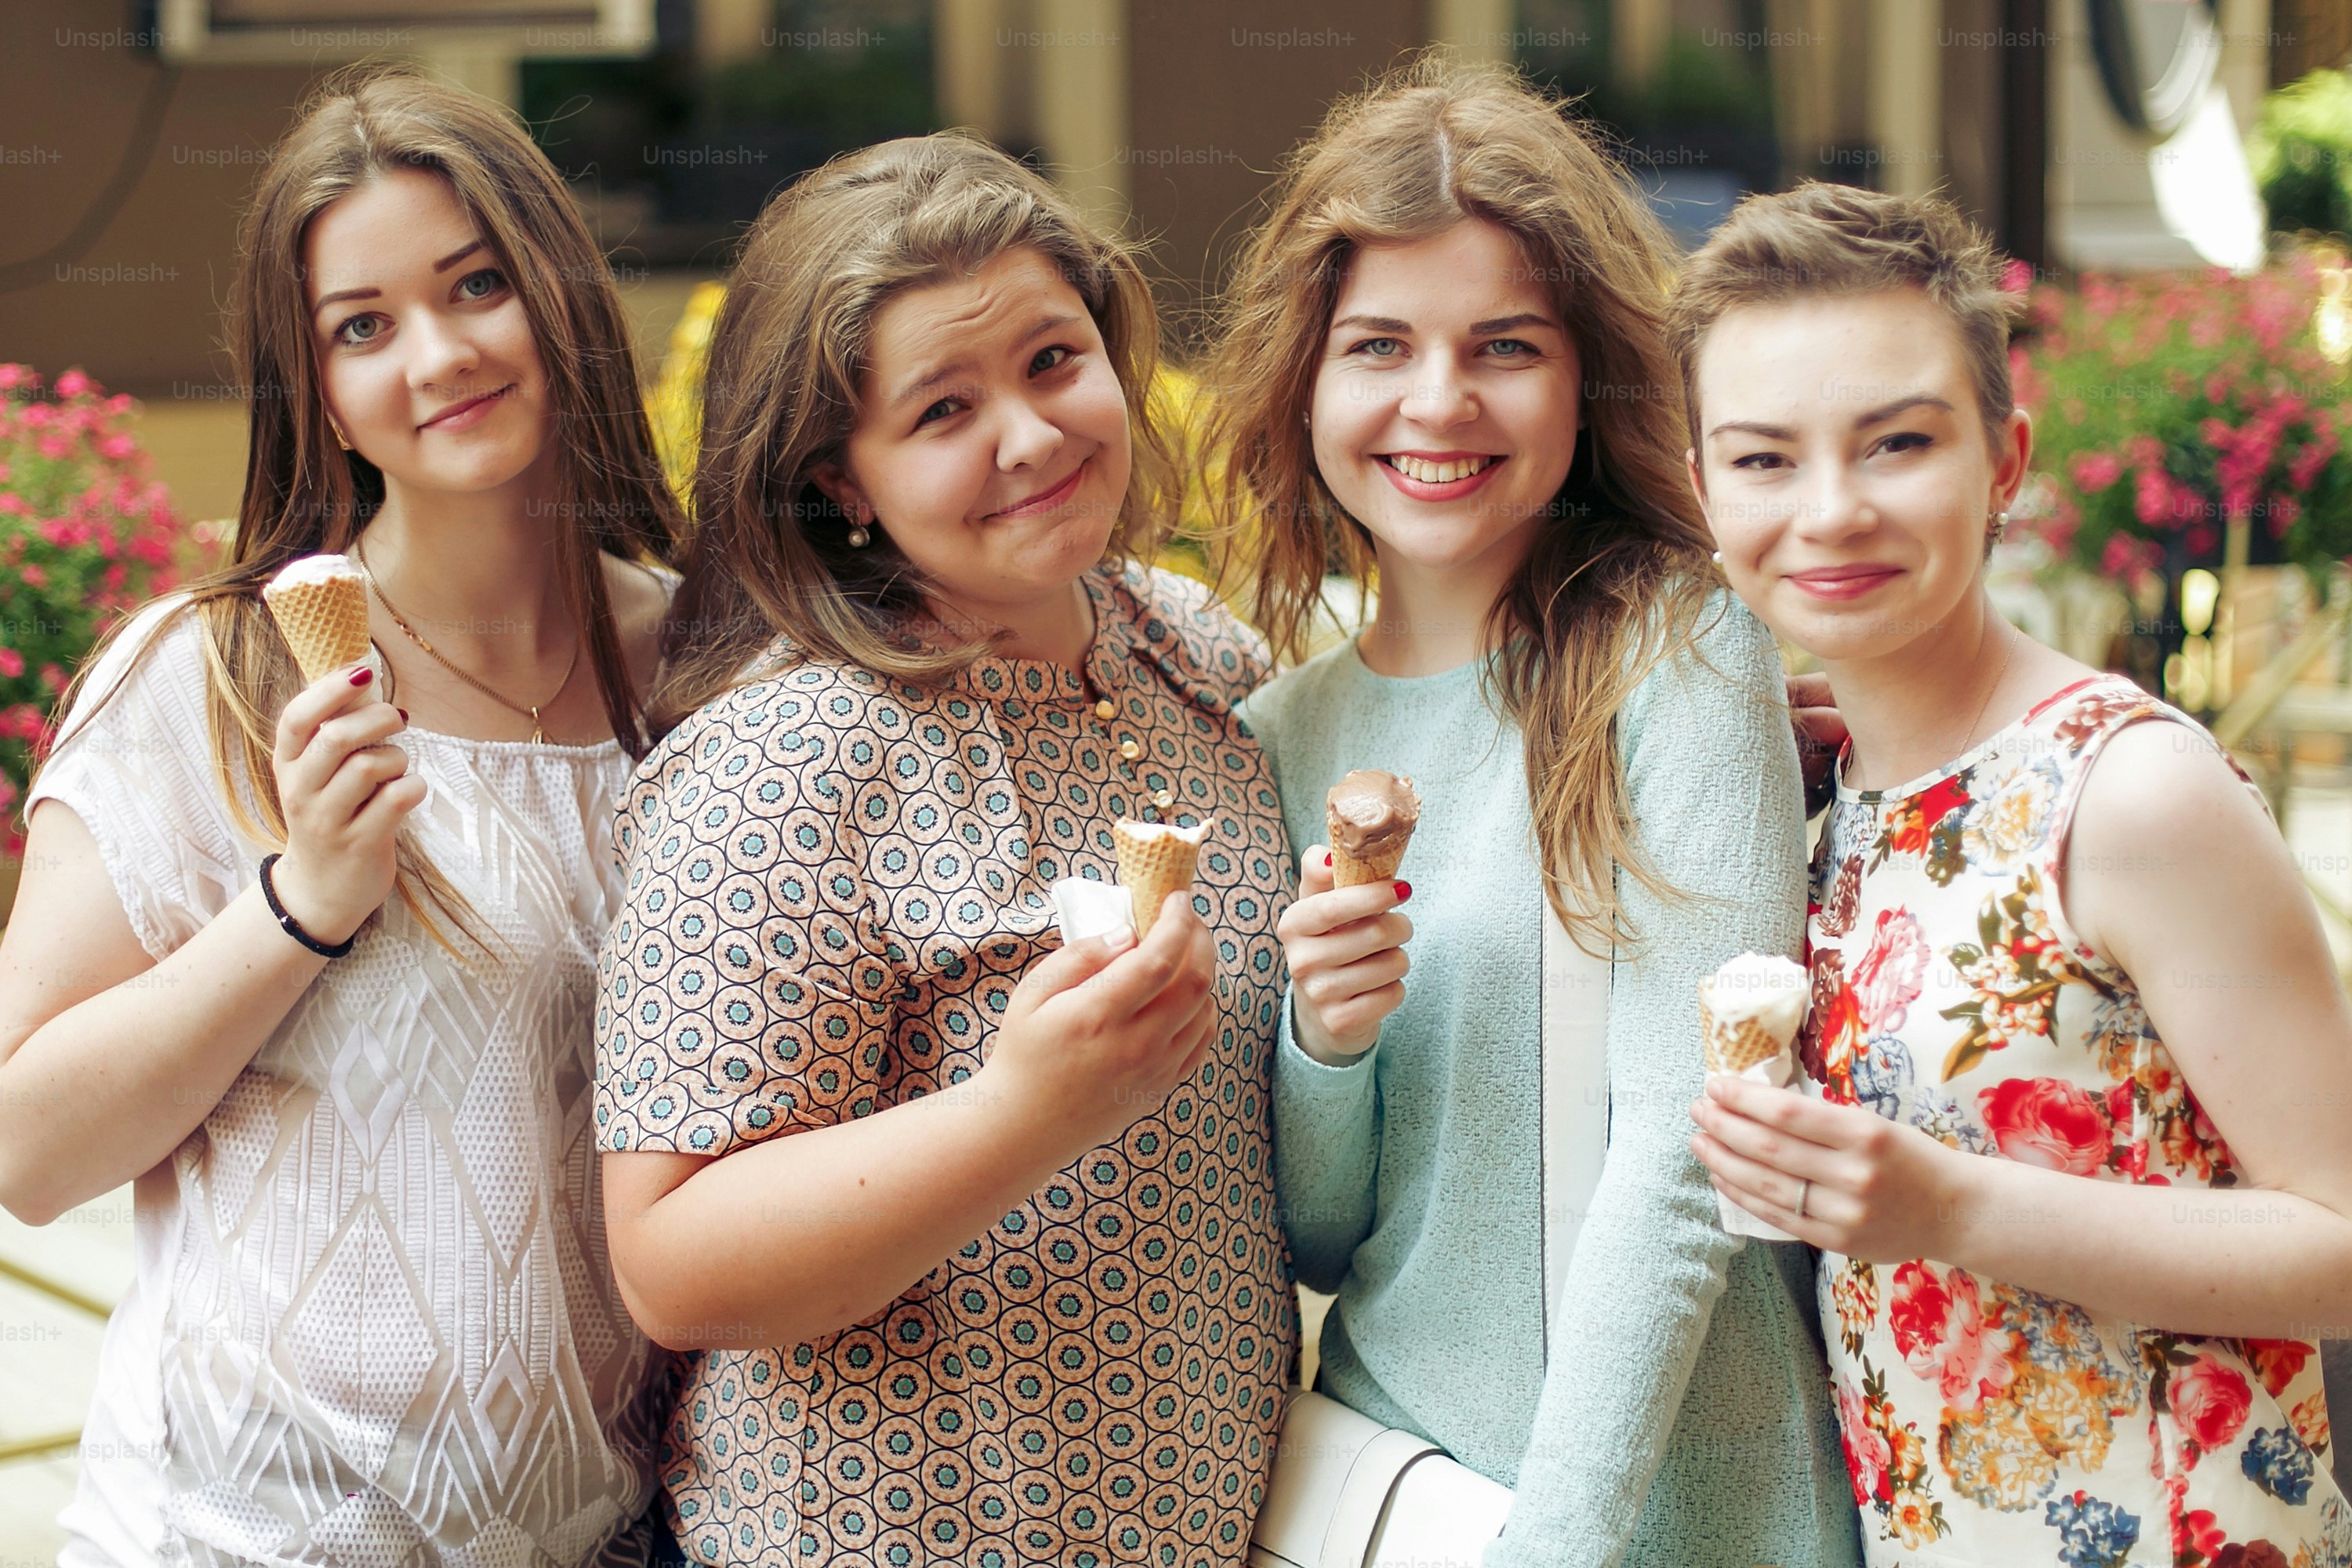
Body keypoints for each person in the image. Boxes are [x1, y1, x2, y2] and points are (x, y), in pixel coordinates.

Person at [0, 69, 683, 1564]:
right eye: (361, 327)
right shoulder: (212, 680)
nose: (437, 355)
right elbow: (27, 1149)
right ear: (313, 388)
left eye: (476, 285)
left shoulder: (712, 676)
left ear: (557, 289)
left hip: (608, 1535)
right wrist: (297, 903)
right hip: (238, 1534)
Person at [593, 134, 1294, 1565]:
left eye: (1053, 361)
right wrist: (1018, 1115)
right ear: (840, 483)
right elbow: (672, 1264)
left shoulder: (1200, 659)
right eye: (941, 410)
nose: (1030, 436)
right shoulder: (786, 761)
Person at [1205, 58, 1857, 1566]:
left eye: (1505, 346)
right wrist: (1329, 1042)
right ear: (1309, 376)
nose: (1439, 401)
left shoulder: (1679, 646)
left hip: (1683, 1508)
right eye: (1380, 345)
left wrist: (1552, 1548)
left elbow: (1693, 1152)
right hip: (1399, 1488)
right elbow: (1319, 1234)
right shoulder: (1276, 733)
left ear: (1589, 378)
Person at [1679, 181, 2352, 1563]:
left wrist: (1950, 1208)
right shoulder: (1829, 791)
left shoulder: (2132, 793)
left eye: (1898, 442)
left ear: (2006, 459)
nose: (1830, 511)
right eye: (1762, 460)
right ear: (1701, 489)